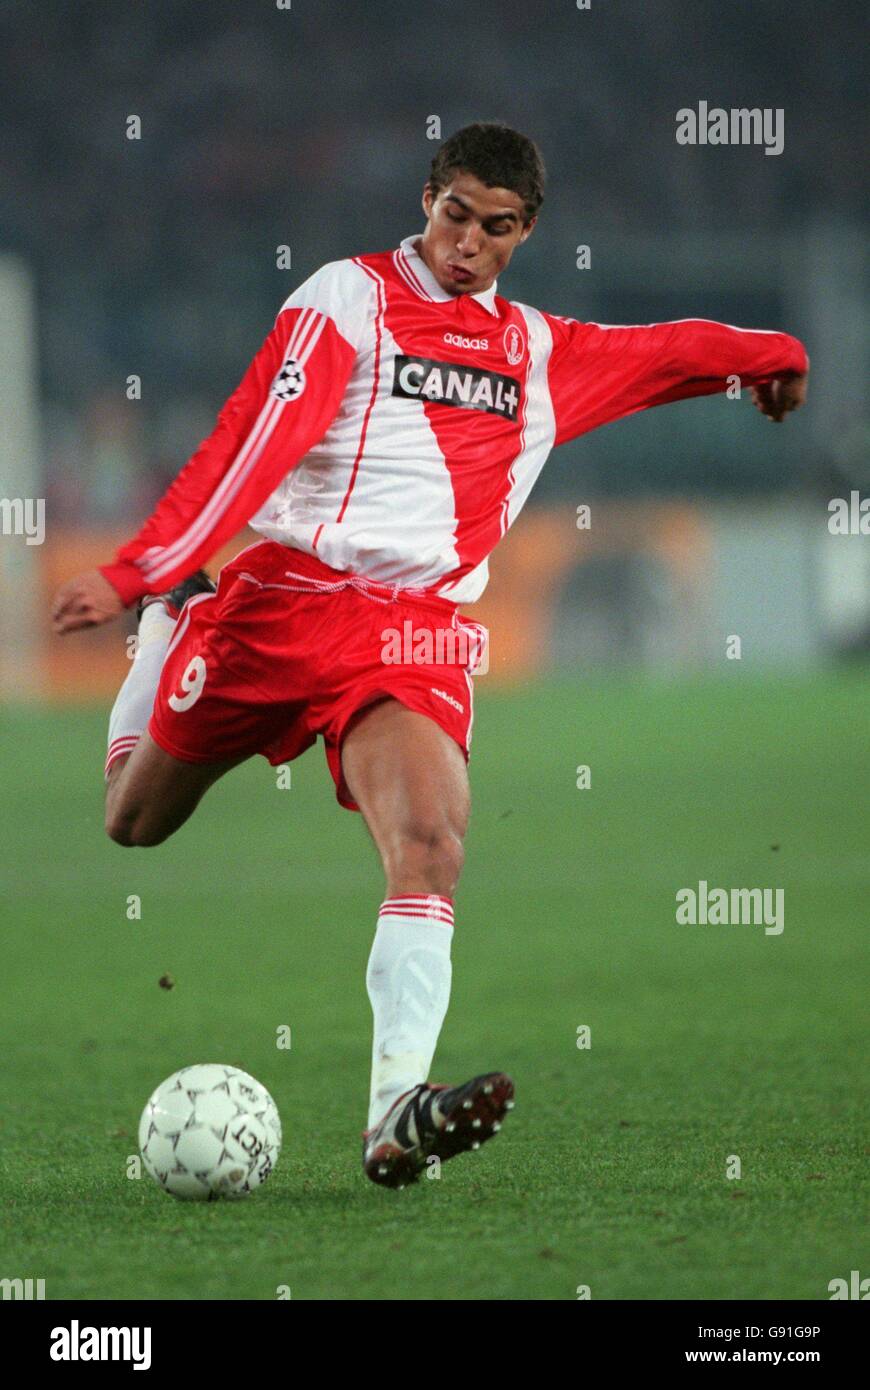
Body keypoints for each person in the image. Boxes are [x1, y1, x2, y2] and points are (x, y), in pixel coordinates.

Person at [51, 122, 809, 1188]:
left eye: (495, 227)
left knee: (432, 842)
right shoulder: (345, 300)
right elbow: (250, 439)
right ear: (426, 199)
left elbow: (665, 351)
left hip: (411, 638)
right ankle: (175, 627)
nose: (467, 244)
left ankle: (395, 1113)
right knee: (133, 819)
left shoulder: (537, 354)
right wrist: (146, 572)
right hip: (282, 607)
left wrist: (775, 360)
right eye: (454, 214)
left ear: (525, 231)